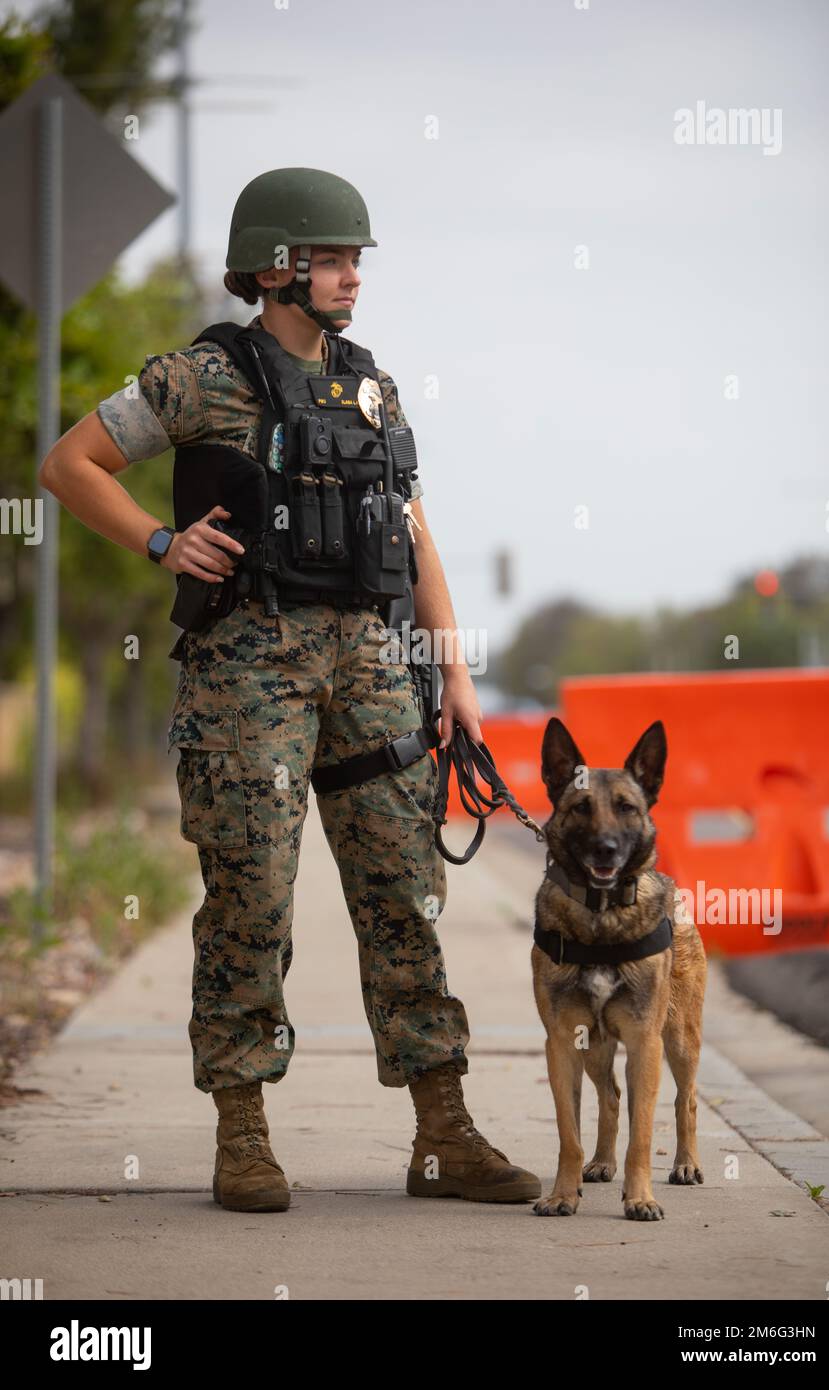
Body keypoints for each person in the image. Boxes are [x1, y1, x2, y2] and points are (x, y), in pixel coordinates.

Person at [38, 167, 541, 1214]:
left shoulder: (371, 387)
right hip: (246, 671)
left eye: (355, 258)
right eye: (333, 257)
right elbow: (68, 463)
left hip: (369, 664)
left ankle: (441, 1132)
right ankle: (243, 1132)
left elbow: (411, 532)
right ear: (277, 267)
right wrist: (162, 540)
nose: (352, 275)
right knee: (251, 902)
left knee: (404, 892)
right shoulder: (197, 379)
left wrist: (452, 673)